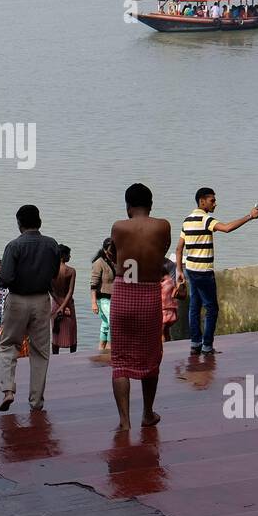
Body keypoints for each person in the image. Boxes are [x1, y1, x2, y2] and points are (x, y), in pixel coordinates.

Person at [109, 184, 172, 431]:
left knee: (120, 361)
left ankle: (124, 422)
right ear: (151, 204)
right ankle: (147, 413)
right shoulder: (162, 225)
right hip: (148, 292)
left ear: (127, 206)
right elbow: (162, 251)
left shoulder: (118, 227)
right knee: (150, 356)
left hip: (124, 290)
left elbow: (116, 255)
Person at [176, 187, 258, 355]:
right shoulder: (206, 219)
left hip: (190, 270)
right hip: (204, 271)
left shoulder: (186, 220)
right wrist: (250, 216)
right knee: (211, 308)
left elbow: (179, 249)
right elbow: (227, 228)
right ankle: (207, 345)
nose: (215, 203)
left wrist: (179, 271)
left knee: (194, 307)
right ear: (202, 201)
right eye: (212, 200)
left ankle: (195, 343)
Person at [0, 204, 59, 412]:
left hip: (17, 300)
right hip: (42, 300)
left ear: (19, 223)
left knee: (8, 345)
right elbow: (55, 273)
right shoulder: (51, 245)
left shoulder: (13, 246)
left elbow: (5, 279)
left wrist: (0, 277)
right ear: (39, 222)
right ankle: (36, 401)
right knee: (40, 351)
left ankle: (8, 390)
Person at [90, 238, 116, 352]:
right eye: (111, 250)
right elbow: (93, 284)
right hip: (103, 298)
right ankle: (109, 348)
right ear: (105, 250)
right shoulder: (99, 263)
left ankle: (101, 348)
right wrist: (94, 303)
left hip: (114, 298)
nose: (113, 253)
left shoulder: (115, 261)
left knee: (106, 324)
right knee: (112, 321)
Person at [50, 244, 77, 354]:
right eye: (68, 255)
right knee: (71, 334)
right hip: (68, 304)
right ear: (62, 256)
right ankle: (73, 357)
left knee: (56, 333)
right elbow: (70, 292)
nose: (70, 257)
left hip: (56, 304)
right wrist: (64, 307)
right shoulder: (71, 271)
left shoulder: (51, 270)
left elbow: (50, 290)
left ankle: (55, 358)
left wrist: (59, 306)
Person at [160, 257, 179, 341]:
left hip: (164, 310)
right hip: (171, 310)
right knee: (166, 331)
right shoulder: (170, 281)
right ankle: (169, 344)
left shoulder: (162, 283)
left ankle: (163, 349)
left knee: (161, 332)